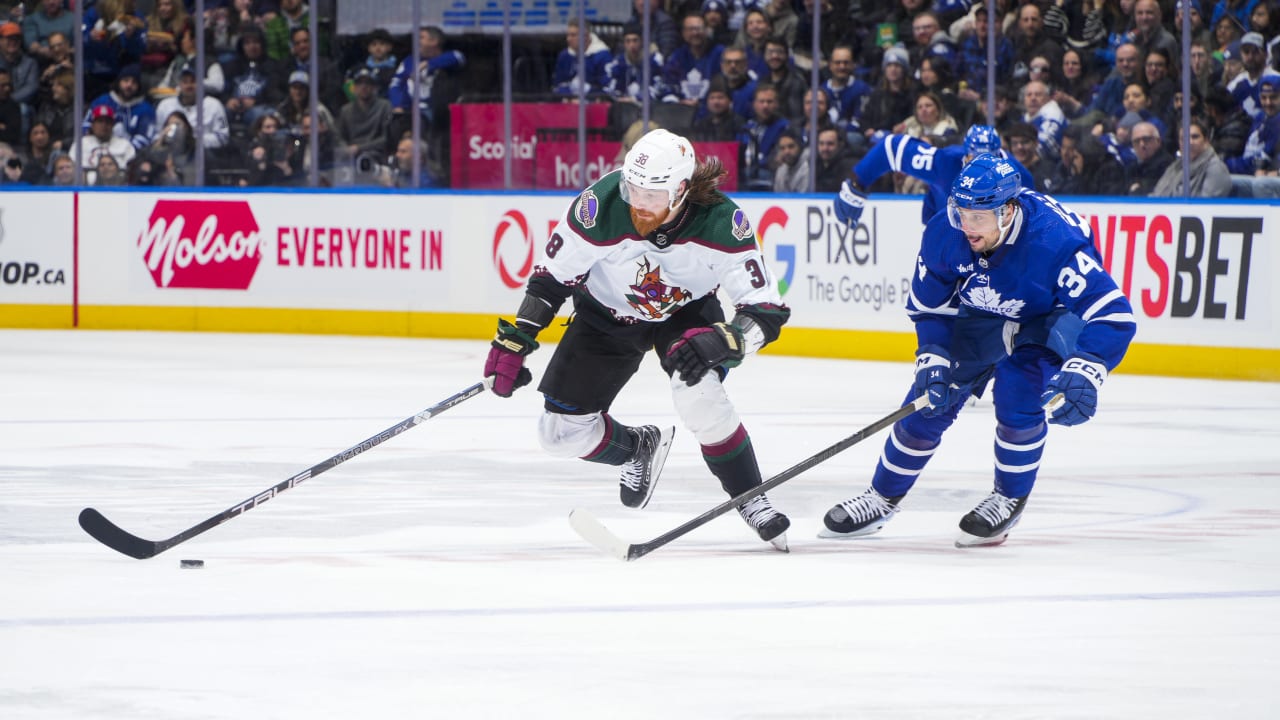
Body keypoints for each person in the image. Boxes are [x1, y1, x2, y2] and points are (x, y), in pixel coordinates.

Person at [481, 128, 793, 551]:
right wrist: (515, 340)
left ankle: (752, 499)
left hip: (686, 314)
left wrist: (727, 341)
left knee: (699, 395)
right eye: (633, 191)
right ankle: (637, 448)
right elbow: (550, 280)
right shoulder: (600, 205)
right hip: (605, 312)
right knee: (558, 434)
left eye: (651, 197)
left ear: (681, 190)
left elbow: (766, 311)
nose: (637, 207)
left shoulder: (721, 221)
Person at [820, 154, 1137, 547]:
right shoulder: (945, 233)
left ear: (1007, 211)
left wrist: (1089, 367)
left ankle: (1008, 499)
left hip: (1049, 318)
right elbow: (931, 309)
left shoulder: (1054, 243)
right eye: (961, 213)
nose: (966, 226)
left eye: (978, 217)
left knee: (1018, 393)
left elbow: (1114, 314)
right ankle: (881, 498)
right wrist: (932, 358)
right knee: (927, 401)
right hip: (983, 311)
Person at [834, 124, 1034, 226]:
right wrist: (857, 183)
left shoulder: (1018, 177)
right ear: (966, 156)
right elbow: (891, 148)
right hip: (948, 231)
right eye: (975, 160)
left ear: (1000, 156)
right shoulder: (945, 163)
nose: (981, 169)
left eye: (988, 161)